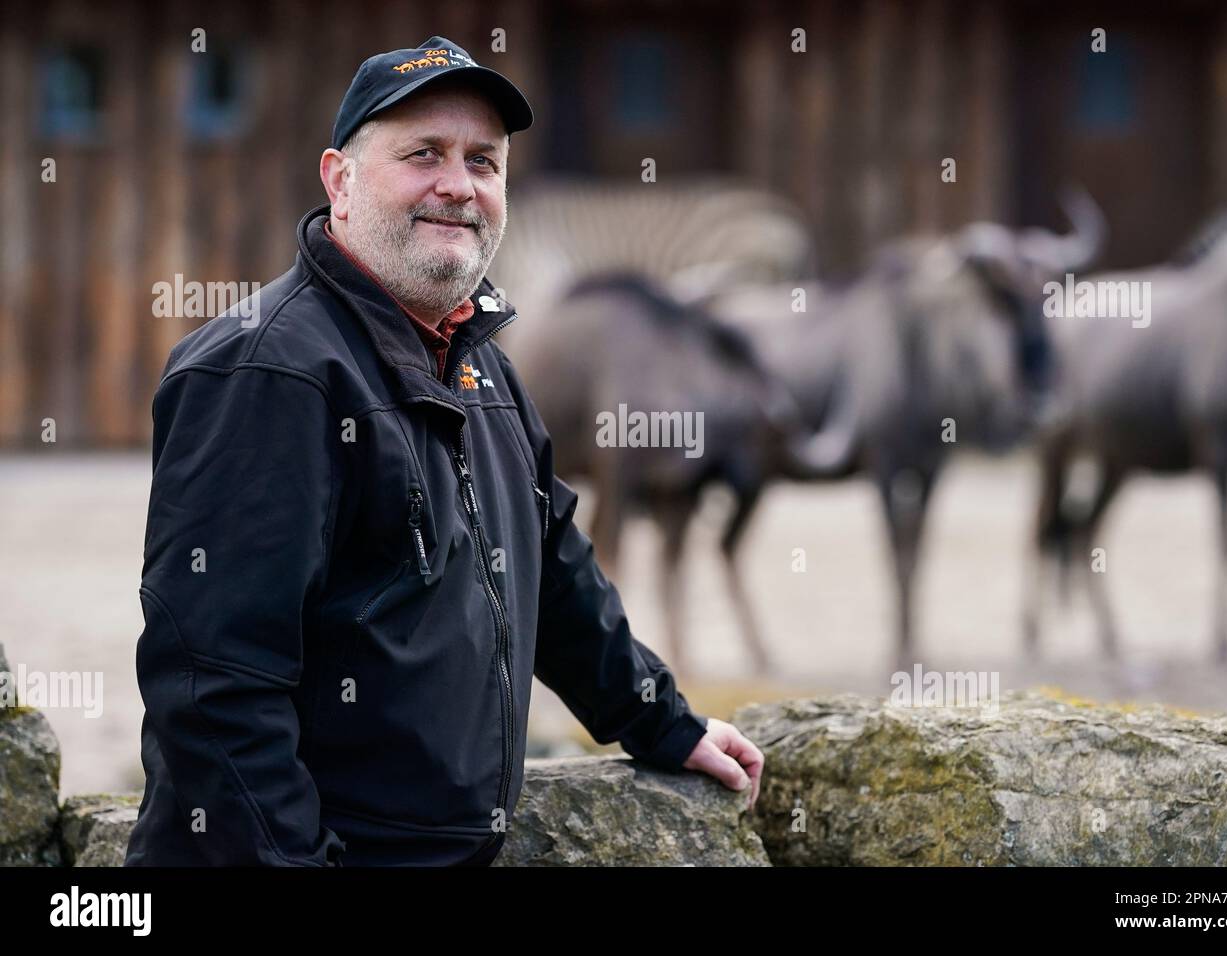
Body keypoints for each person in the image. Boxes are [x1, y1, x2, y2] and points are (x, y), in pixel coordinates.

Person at [124, 34, 763, 867]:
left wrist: (662, 720)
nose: (458, 186)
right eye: (422, 154)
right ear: (339, 180)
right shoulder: (266, 371)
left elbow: (554, 572)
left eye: (484, 161)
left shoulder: (479, 363)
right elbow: (214, 686)